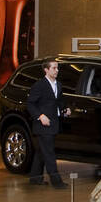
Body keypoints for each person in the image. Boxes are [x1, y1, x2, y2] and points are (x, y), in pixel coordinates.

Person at [26, 58, 70, 187]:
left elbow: (59, 101)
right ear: (46, 70)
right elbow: (30, 104)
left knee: (41, 152)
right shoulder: (39, 85)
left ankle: (35, 178)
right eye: (54, 68)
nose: (57, 70)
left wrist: (64, 109)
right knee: (49, 153)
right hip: (43, 125)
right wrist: (40, 116)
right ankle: (56, 182)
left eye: (57, 68)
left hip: (54, 123)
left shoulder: (59, 85)